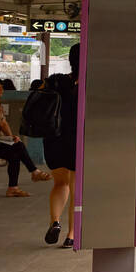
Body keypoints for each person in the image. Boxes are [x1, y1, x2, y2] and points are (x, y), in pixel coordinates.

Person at [42, 44, 81, 247]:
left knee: (59, 184)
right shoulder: (87, 85)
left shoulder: (55, 81)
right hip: (76, 140)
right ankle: (71, 234)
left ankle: (55, 221)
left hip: (53, 140)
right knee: (76, 188)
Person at [0, 76, 50, 195]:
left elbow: (3, 123)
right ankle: (34, 172)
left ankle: (13, 187)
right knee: (17, 148)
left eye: (1, 89)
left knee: (15, 151)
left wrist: (10, 137)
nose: (0, 92)